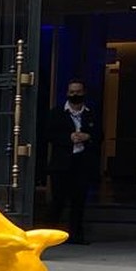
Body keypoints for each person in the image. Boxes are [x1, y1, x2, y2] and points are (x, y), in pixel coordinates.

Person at [45, 79, 100, 245]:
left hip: (82, 164)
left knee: (79, 201)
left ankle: (76, 235)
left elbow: (99, 135)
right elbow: (48, 134)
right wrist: (68, 138)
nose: (75, 95)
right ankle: (49, 236)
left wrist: (87, 137)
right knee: (58, 200)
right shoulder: (56, 113)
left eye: (78, 92)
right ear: (67, 93)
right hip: (61, 164)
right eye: (72, 92)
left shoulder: (91, 114)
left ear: (84, 93)